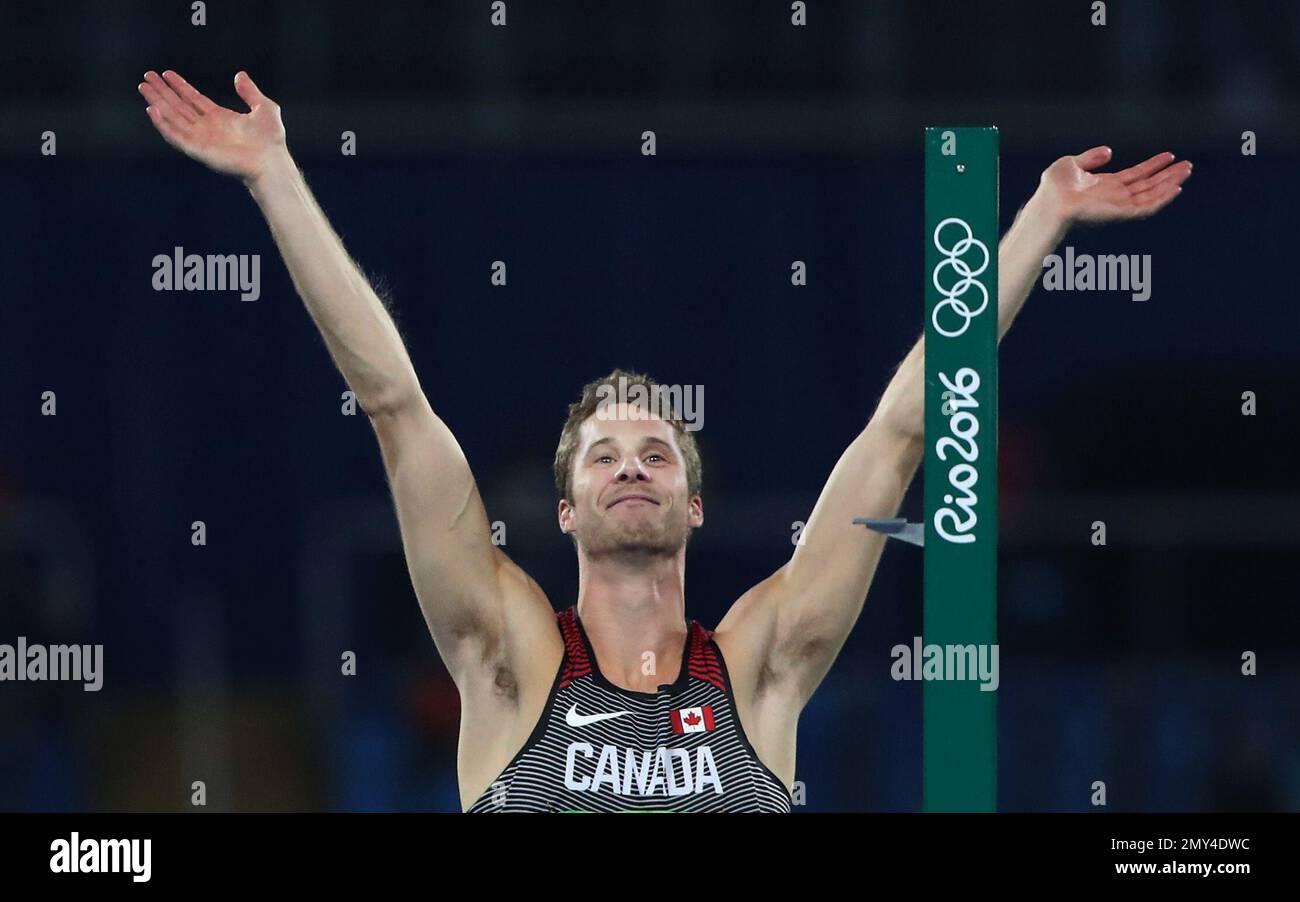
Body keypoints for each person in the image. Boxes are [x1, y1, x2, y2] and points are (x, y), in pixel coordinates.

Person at [138, 69, 1192, 811]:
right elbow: (393, 400)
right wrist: (273, 174)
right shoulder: (506, 655)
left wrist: (1041, 220)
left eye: (654, 453)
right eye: (602, 454)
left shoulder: (762, 663)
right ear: (564, 508)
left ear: (694, 501)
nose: (630, 464)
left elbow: (905, 427)